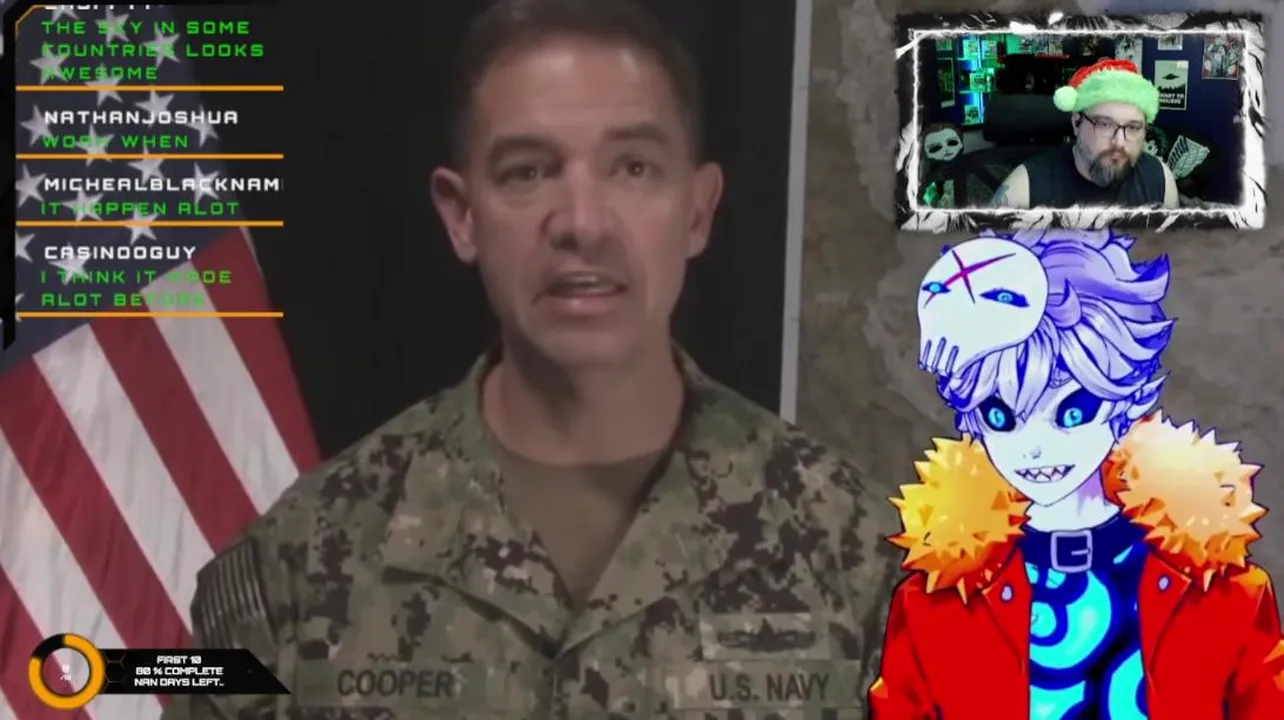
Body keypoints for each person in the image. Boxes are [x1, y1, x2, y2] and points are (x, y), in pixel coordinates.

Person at [160, 0, 900, 717]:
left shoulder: (863, 562)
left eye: (633, 167)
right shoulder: (294, 570)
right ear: (462, 216)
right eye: (528, 171)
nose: (582, 223)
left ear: (698, 211)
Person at [869, 229, 1284, 718]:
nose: (1035, 447)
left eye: (1073, 411)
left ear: (1126, 399)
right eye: (1001, 417)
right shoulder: (933, 607)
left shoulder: (1224, 595)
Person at [989, 59, 1180, 209]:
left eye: (1133, 127)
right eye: (1104, 124)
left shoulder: (1160, 180)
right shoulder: (1025, 188)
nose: (1120, 142)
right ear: (1076, 123)